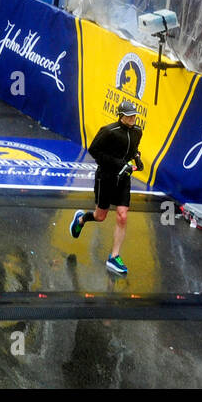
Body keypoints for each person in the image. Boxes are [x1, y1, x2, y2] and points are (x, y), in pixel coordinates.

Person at [70, 101, 144, 276]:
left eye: (134, 115)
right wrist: (119, 163)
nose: (132, 118)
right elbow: (94, 151)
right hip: (106, 177)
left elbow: (133, 149)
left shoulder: (137, 131)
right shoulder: (108, 131)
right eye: (129, 115)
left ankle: (114, 256)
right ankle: (81, 219)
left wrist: (136, 158)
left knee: (122, 216)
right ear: (121, 115)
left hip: (124, 179)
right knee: (100, 216)